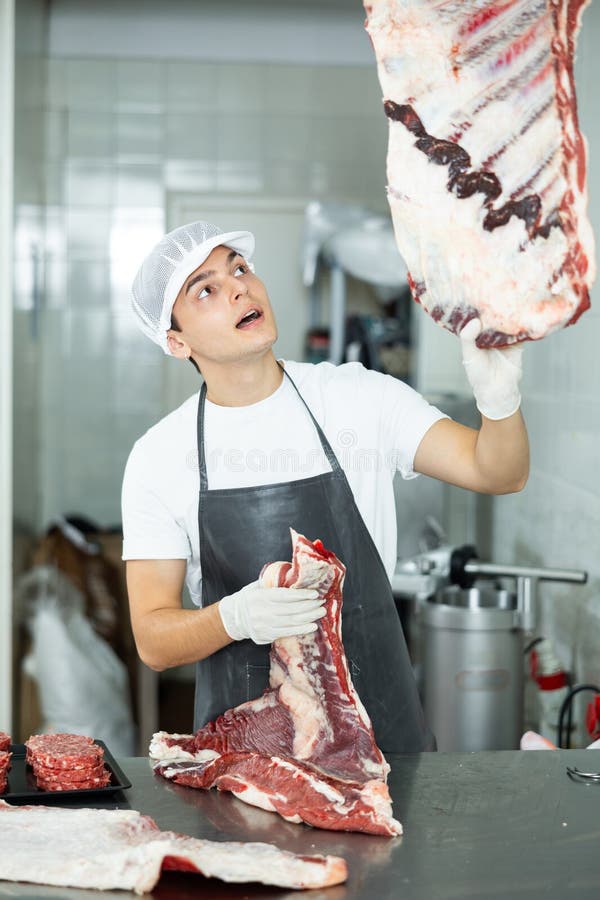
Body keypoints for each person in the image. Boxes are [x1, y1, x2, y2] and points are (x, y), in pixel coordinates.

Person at [122, 221, 529, 752]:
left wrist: (499, 401)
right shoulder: (159, 456)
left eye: (239, 269)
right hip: (250, 763)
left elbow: (499, 472)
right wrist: (235, 616)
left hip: (384, 751)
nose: (239, 288)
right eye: (207, 289)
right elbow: (153, 639)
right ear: (177, 341)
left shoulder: (359, 398)